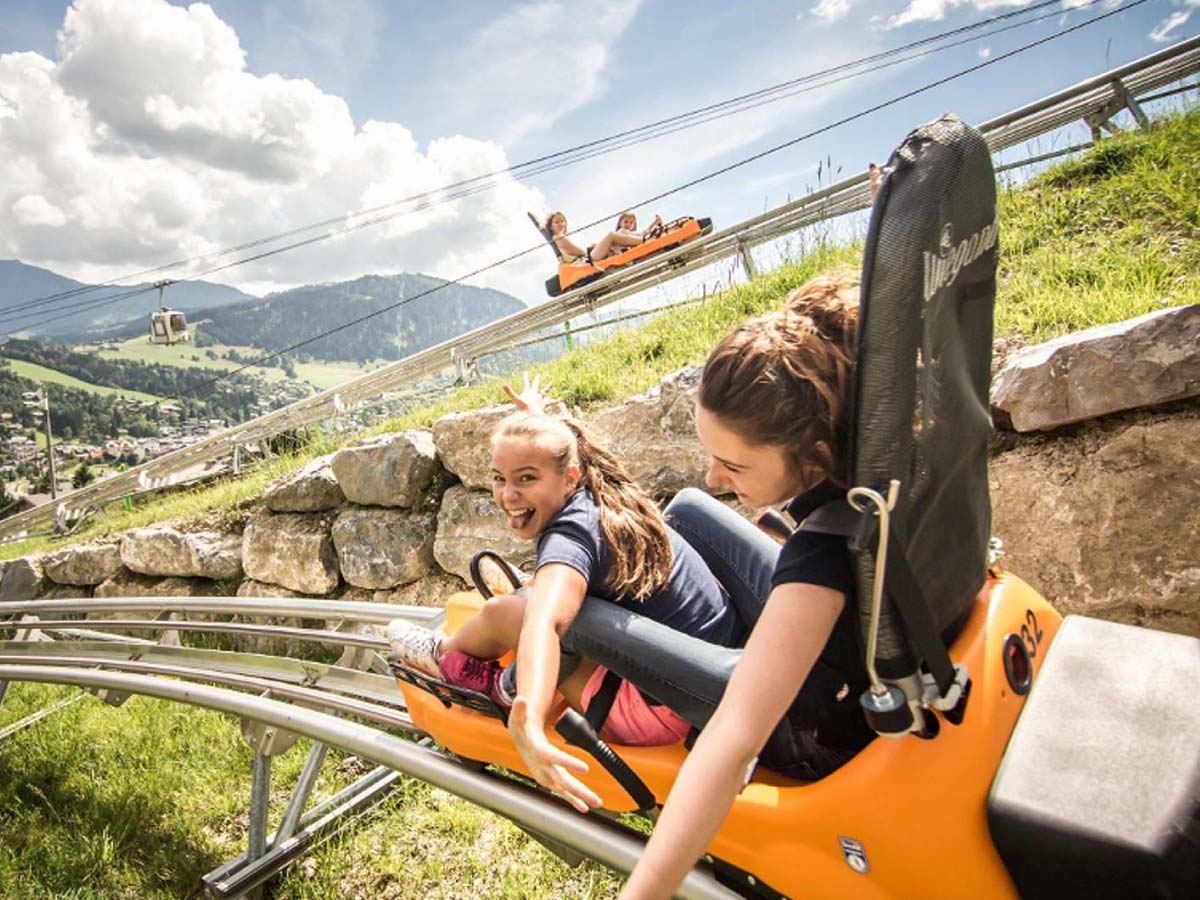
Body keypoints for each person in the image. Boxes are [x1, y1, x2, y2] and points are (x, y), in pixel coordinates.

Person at [387, 379, 746, 759]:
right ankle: (463, 655)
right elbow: (566, 447)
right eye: (499, 478)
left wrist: (530, 715)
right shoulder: (604, 489)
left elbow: (544, 624)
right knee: (531, 598)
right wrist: (537, 420)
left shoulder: (570, 535)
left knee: (507, 611)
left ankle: (464, 667)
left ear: (570, 476)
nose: (508, 495)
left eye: (527, 478)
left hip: (664, 715)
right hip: (708, 672)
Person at [546, 210, 663, 268]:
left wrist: (597, 247)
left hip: (586, 259)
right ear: (551, 226)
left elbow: (577, 251)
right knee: (612, 235)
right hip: (584, 262)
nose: (561, 224)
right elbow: (580, 252)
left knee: (614, 239)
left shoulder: (560, 238)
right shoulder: (558, 238)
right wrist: (597, 248)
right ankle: (645, 240)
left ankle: (644, 238)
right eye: (557, 222)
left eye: (562, 221)